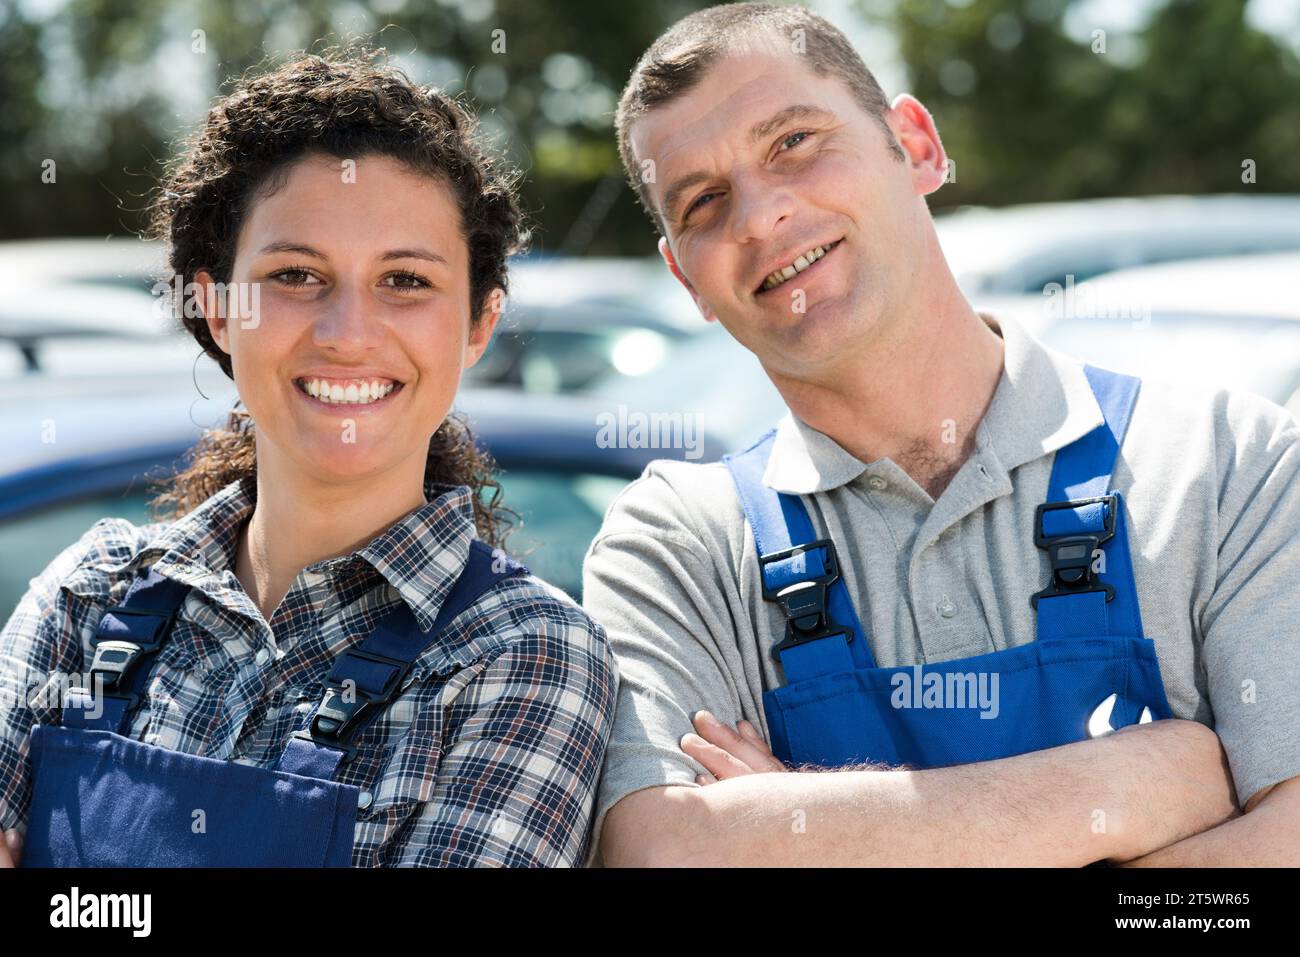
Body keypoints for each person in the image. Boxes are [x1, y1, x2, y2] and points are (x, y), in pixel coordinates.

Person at [582, 2, 1300, 866]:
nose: (760, 217)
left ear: (915, 145)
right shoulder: (678, 547)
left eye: (793, 143)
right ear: (684, 277)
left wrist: (794, 827)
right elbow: (663, 852)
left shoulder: (1228, 465)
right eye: (702, 202)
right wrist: (1136, 783)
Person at [0, 50, 615, 868]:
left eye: (404, 279)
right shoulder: (89, 593)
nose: (347, 333)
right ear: (217, 307)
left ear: (479, 322)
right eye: (295, 273)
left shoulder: (527, 657)